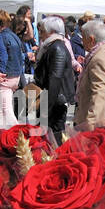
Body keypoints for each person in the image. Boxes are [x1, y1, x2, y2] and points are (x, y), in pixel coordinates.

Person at [74, 18, 105, 131]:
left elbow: (99, 92)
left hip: (99, 121)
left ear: (91, 39)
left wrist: (90, 121)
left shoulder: (98, 59)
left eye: (83, 38)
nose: (82, 41)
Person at [33, 16, 75, 144]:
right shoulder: (52, 46)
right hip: (52, 99)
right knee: (49, 138)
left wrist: (46, 108)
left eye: (42, 31)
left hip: (55, 102)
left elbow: (55, 79)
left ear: (51, 32)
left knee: (54, 139)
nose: (40, 34)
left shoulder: (57, 48)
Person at [0, 10, 25, 127]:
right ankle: (1, 133)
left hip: (6, 76)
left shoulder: (1, 37)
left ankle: (16, 132)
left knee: (5, 109)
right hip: (16, 76)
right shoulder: (14, 36)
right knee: (1, 109)